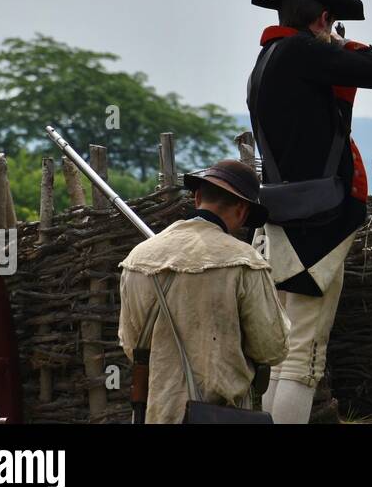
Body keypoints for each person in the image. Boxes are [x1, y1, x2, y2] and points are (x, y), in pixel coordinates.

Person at [248, 0, 372, 423]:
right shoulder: (300, 52)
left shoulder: (269, 57)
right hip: (319, 219)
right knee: (302, 357)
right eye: (330, 23)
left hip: (284, 213)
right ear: (321, 19)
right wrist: (338, 43)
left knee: (282, 353)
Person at [118, 159, 288, 424]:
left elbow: (132, 347)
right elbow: (271, 348)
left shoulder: (138, 258)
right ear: (242, 210)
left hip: (156, 413)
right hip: (222, 415)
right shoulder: (245, 261)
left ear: (197, 197)